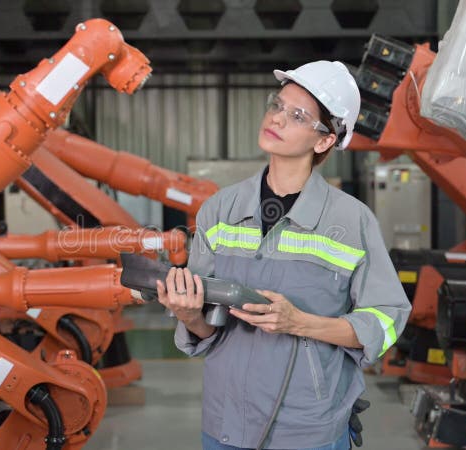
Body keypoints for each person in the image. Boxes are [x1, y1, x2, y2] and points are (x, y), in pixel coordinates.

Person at [157, 60, 411, 450]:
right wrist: (189, 314)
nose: (276, 118)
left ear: (325, 140)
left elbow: (387, 318)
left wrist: (301, 322)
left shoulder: (351, 220)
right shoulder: (219, 210)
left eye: (297, 115)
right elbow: (209, 331)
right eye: (277, 105)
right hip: (225, 423)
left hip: (306, 428)